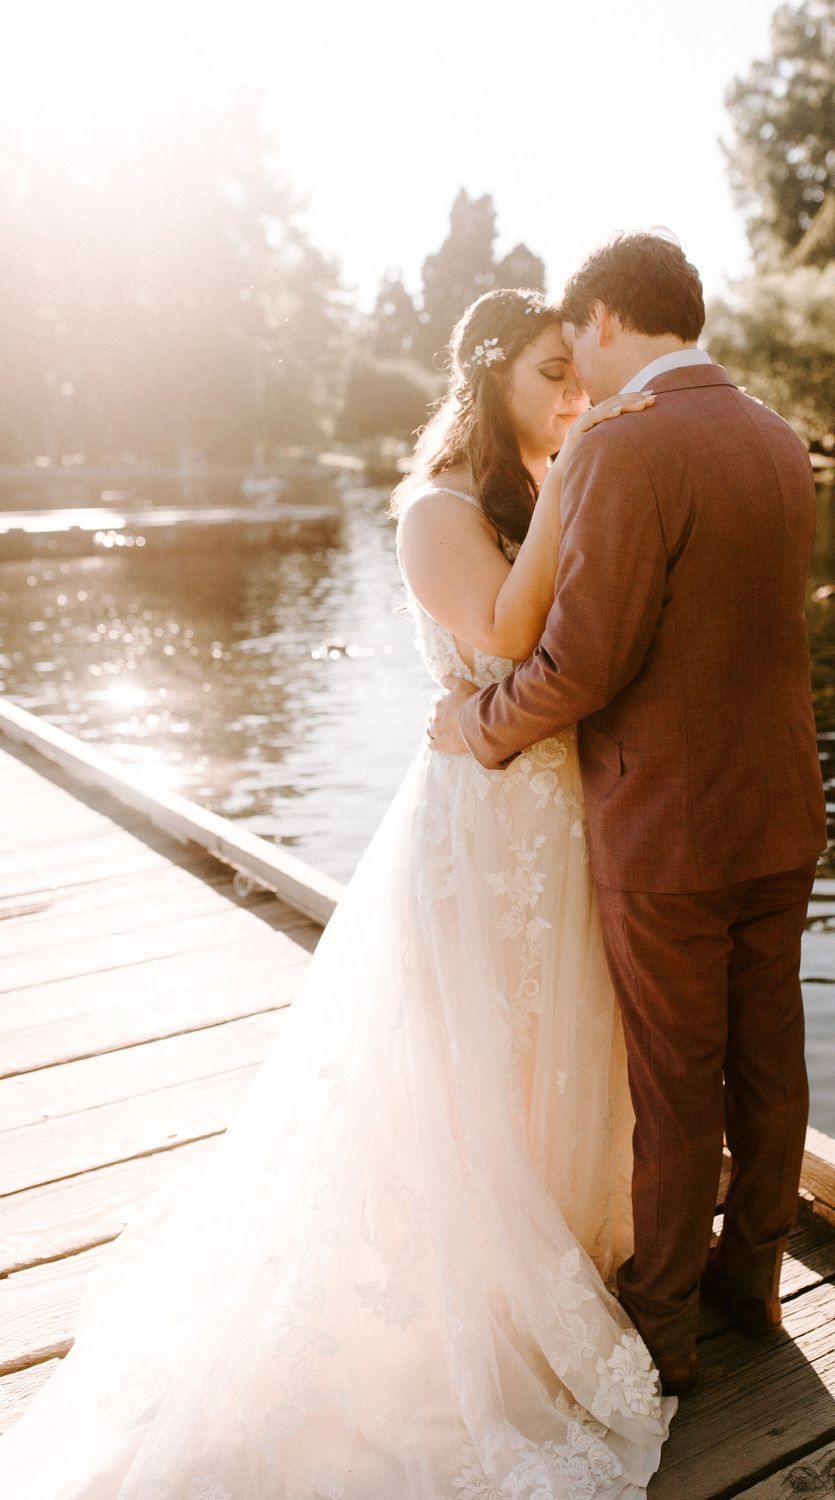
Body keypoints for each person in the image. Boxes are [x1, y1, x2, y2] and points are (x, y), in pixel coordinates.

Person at [0, 287, 675, 1499]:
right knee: (478, 1048)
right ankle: (478, 1296)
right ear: (487, 381)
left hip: (567, 820)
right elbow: (513, 635)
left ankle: (566, 1264)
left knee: (566, 1044)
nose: (576, 397)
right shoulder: (436, 510)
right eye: (551, 374)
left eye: (582, 376)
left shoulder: (538, 488)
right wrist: (577, 477)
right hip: (478, 828)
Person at [430, 231, 828, 1395]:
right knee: (769, 1058)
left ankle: (660, 1317)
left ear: (605, 316)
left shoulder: (630, 451)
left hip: (668, 826)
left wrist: (476, 725)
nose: (576, 386)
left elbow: (580, 667)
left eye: (576, 350)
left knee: (671, 1077)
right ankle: (751, 1280)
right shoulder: (775, 437)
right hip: (782, 810)